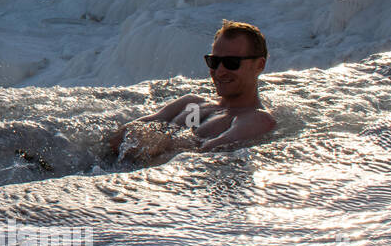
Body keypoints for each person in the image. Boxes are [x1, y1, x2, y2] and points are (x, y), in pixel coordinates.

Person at [108, 20, 277, 157]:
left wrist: (153, 143)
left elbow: (201, 156)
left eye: (231, 63)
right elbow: (119, 137)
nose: (220, 71)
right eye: (214, 62)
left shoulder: (256, 119)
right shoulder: (193, 106)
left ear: (259, 65)